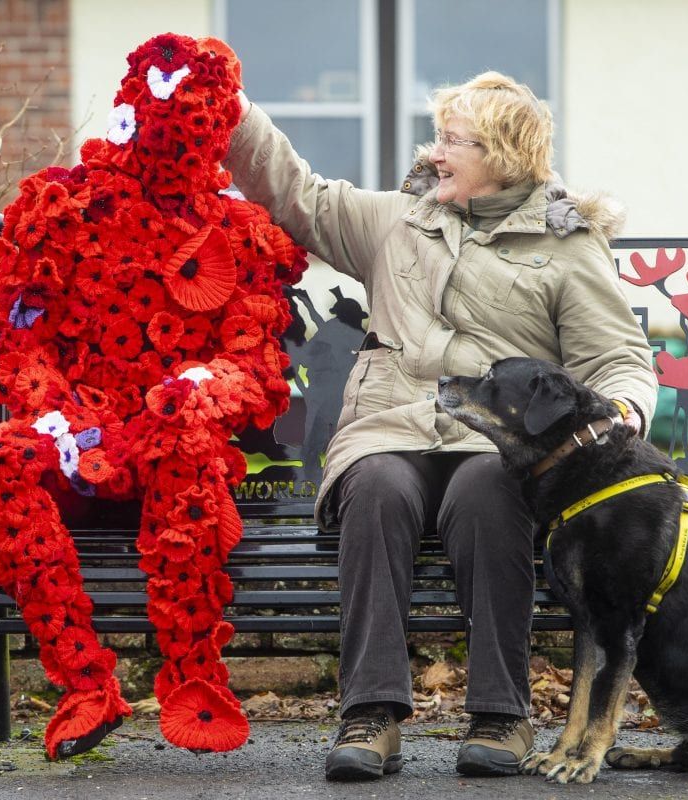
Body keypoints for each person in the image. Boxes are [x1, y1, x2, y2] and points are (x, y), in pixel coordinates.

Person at [225, 71, 657, 782]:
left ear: (506, 155)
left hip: (497, 441)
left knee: (491, 491)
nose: (437, 152)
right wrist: (231, 108)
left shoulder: (569, 247)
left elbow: (615, 357)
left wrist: (623, 413)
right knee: (377, 490)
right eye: (440, 136)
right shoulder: (398, 219)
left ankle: (501, 714)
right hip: (389, 424)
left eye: (456, 140)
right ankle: (370, 714)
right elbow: (293, 193)